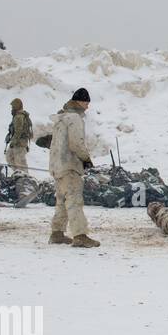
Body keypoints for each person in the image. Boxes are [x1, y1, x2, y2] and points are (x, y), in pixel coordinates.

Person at [48, 88, 98, 248]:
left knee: (61, 200)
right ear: (78, 102)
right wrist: (86, 159)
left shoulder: (60, 118)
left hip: (57, 166)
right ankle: (80, 235)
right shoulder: (74, 118)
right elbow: (76, 143)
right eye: (86, 103)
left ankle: (57, 233)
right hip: (69, 166)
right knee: (75, 200)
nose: (87, 107)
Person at [5, 97, 33, 175]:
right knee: (10, 157)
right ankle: (18, 174)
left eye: (13, 106)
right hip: (18, 143)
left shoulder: (19, 117)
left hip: (19, 143)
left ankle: (25, 177)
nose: (12, 108)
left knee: (20, 162)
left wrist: (13, 142)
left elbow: (18, 131)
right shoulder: (18, 116)